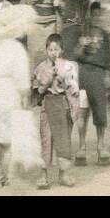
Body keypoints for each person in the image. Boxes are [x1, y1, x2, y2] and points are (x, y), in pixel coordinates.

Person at [0, 8, 32, 187]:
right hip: (11, 92)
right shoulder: (16, 48)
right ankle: (10, 174)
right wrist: (26, 96)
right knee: (11, 136)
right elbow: (22, 78)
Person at [62, 2, 110, 166]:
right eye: (94, 14)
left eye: (100, 14)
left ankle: (101, 146)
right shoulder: (81, 32)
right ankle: (82, 147)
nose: (97, 18)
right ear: (90, 15)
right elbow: (74, 55)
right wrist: (81, 45)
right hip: (82, 72)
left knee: (100, 111)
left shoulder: (106, 36)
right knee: (82, 111)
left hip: (99, 74)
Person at [33, 33, 81, 189]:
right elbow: (38, 91)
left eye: (57, 49)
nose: (54, 52)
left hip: (63, 104)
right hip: (48, 104)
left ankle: (63, 174)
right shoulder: (40, 68)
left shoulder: (68, 66)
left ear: (62, 50)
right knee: (46, 140)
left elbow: (73, 89)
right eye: (50, 49)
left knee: (64, 140)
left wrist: (74, 108)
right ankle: (43, 175)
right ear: (46, 50)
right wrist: (49, 80)